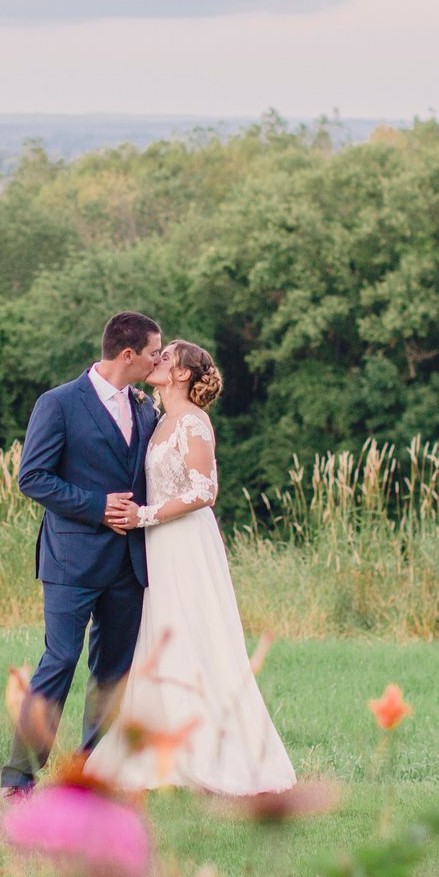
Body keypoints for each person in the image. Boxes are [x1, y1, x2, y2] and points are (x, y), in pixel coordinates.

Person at [85, 339, 294, 795]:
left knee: (193, 635)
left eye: (166, 355)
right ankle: (159, 746)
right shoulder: (160, 421)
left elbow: (205, 491)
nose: (157, 359)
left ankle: (205, 752)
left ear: (182, 374)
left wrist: (144, 515)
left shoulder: (193, 423)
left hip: (184, 542)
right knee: (161, 638)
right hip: (159, 545)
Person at [0, 311, 162, 797]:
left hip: (129, 566)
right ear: (128, 354)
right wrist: (96, 507)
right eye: (154, 351)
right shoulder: (59, 403)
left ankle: (93, 770)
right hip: (71, 561)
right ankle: (18, 777)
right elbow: (33, 477)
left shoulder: (146, 409)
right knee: (61, 658)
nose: (159, 359)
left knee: (113, 671)